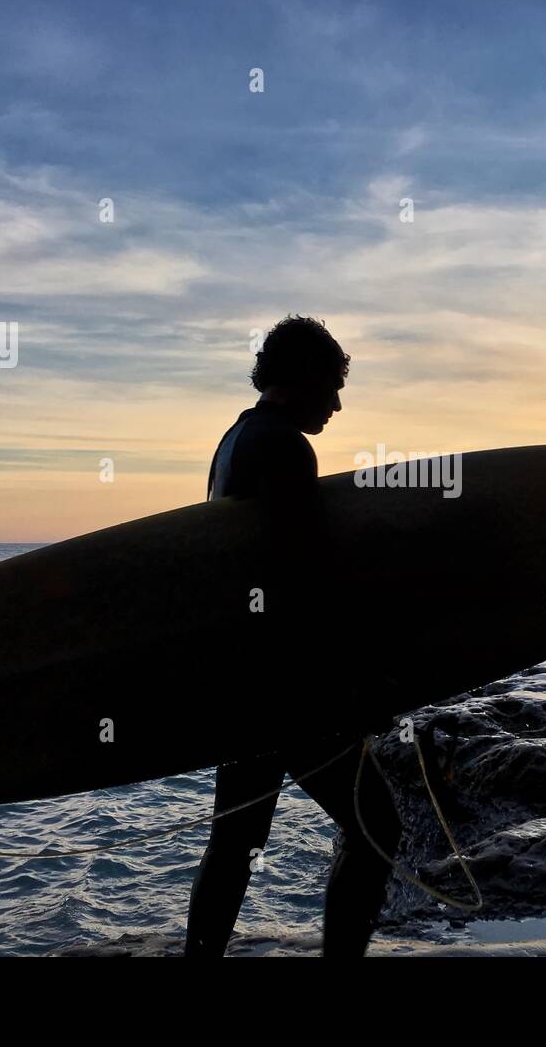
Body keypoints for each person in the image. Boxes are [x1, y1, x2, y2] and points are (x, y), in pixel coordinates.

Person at [185, 315, 402, 958]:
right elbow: (302, 579)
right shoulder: (283, 446)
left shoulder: (235, 439)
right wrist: (358, 683)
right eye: (332, 387)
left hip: (245, 679)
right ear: (303, 378)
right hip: (288, 689)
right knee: (376, 826)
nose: (336, 404)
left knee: (235, 841)